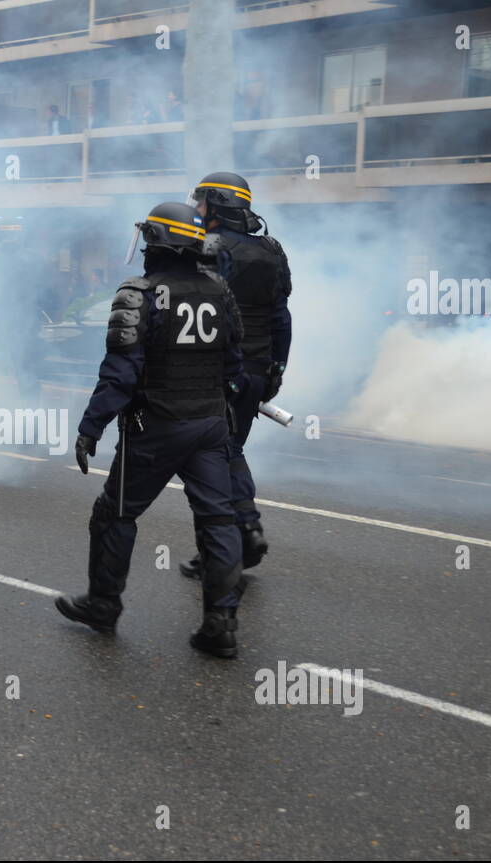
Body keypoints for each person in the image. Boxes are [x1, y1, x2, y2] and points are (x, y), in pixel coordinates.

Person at [55, 201, 248, 659]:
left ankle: (103, 605)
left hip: (156, 427)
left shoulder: (138, 294)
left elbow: (120, 373)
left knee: (114, 515)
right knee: (219, 520)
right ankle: (221, 623)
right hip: (209, 423)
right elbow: (234, 364)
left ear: (156, 242)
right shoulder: (220, 290)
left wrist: (90, 427)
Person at [180, 172, 292, 578]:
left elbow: (188, 311)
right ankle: (237, 538)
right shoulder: (272, 250)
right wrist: (276, 369)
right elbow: (281, 318)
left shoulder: (205, 248)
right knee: (229, 451)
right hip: (257, 371)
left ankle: (237, 537)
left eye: (201, 202)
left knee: (207, 460)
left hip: (212, 371)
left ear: (216, 204)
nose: (196, 209)